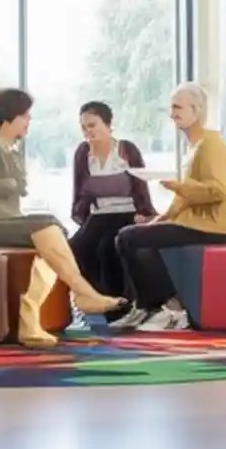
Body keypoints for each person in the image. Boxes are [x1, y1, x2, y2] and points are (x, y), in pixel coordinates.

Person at [0, 88, 125, 348]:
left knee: (53, 237)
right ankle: (82, 292)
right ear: (8, 118)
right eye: (25, 116)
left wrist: (16, 184)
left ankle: (31, 323)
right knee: (48, 226)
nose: (28, 121)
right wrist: (11, 184)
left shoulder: (13, 152)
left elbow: (18, 186)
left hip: (9, 220)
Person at [111, 82, 226, 332]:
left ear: (197, 110)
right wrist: (164, 217)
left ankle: (172, 307)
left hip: (216, 227)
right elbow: (188, 197)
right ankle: (149, 307)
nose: (172, 114)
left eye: (177, 107)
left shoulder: (211, 144)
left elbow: (217, 189)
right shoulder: (193, 147)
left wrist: (178, 186)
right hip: (195, 223)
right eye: (171, 107)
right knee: (132, 237)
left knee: (128, 238)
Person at [68, 101, 157, 306]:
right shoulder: (83, 153)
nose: (87, 131)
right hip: (99, 215)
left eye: (92, 125)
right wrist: (81, 215)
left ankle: (119, 304)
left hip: (127, 212)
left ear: (108, 125)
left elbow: (139, 185)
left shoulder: (126, 150)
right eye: (83, 127)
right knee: (76, 247)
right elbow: (79, 189)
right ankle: (94, 298)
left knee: (107, 247)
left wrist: (144, 212)